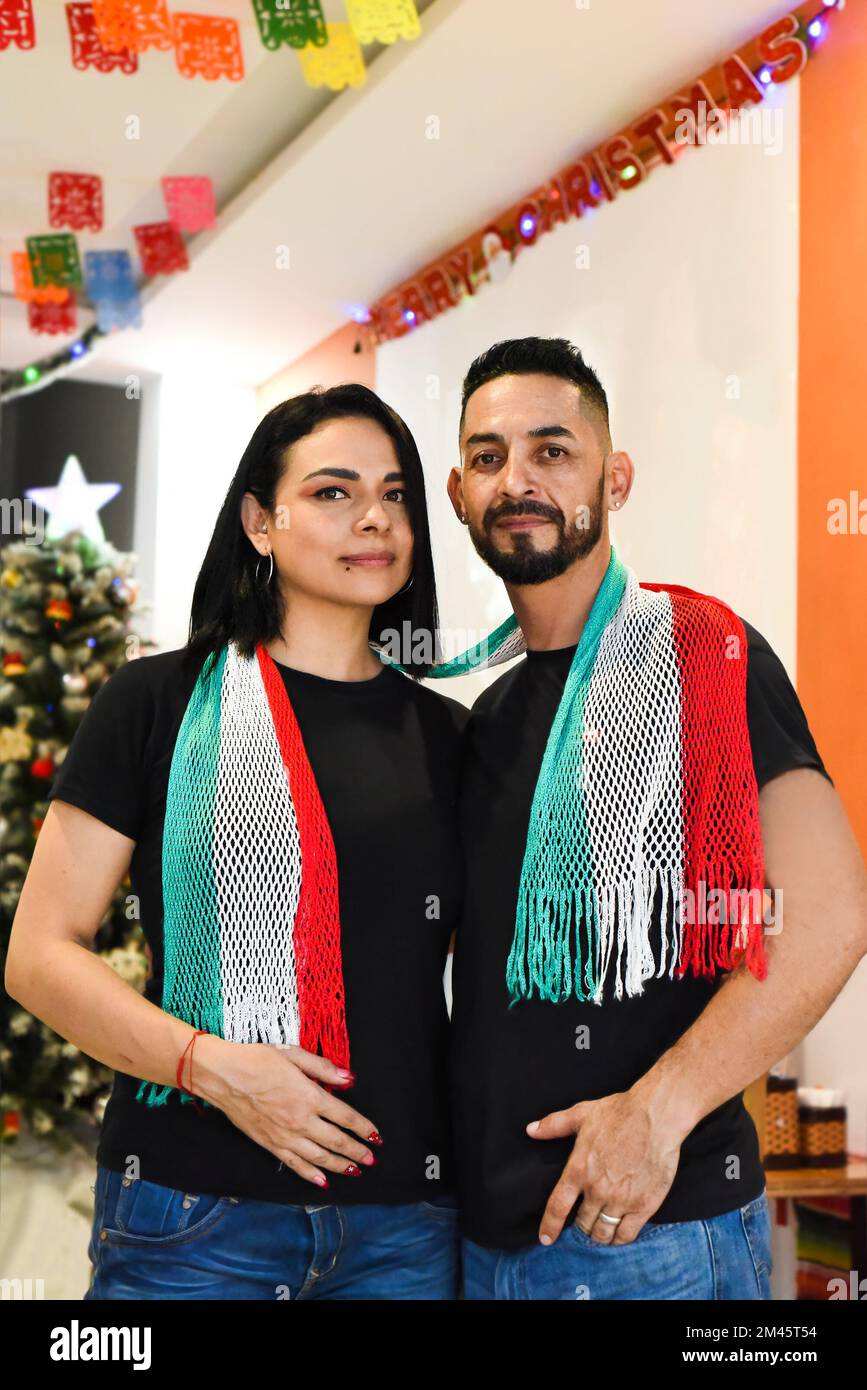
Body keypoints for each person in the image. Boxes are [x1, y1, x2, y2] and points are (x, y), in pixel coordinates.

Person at [5, 384, 469, 1300]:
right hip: (188, 1212)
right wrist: (212, 1067)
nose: (373, 517)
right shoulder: (155, 703)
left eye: (396, 493)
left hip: (402, 1226)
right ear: (261, 520)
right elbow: (37, 954)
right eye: (333, 492)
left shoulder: (451, 737)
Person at [431, 336, 867, 1301]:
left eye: (553, 450)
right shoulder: (484, 719)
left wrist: (655, 1114)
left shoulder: (702, 653)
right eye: (489, 456)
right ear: (459, 493)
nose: (519, 480)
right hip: (490, 1239)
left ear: (612, 478)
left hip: (652, 1232)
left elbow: (830, 916)